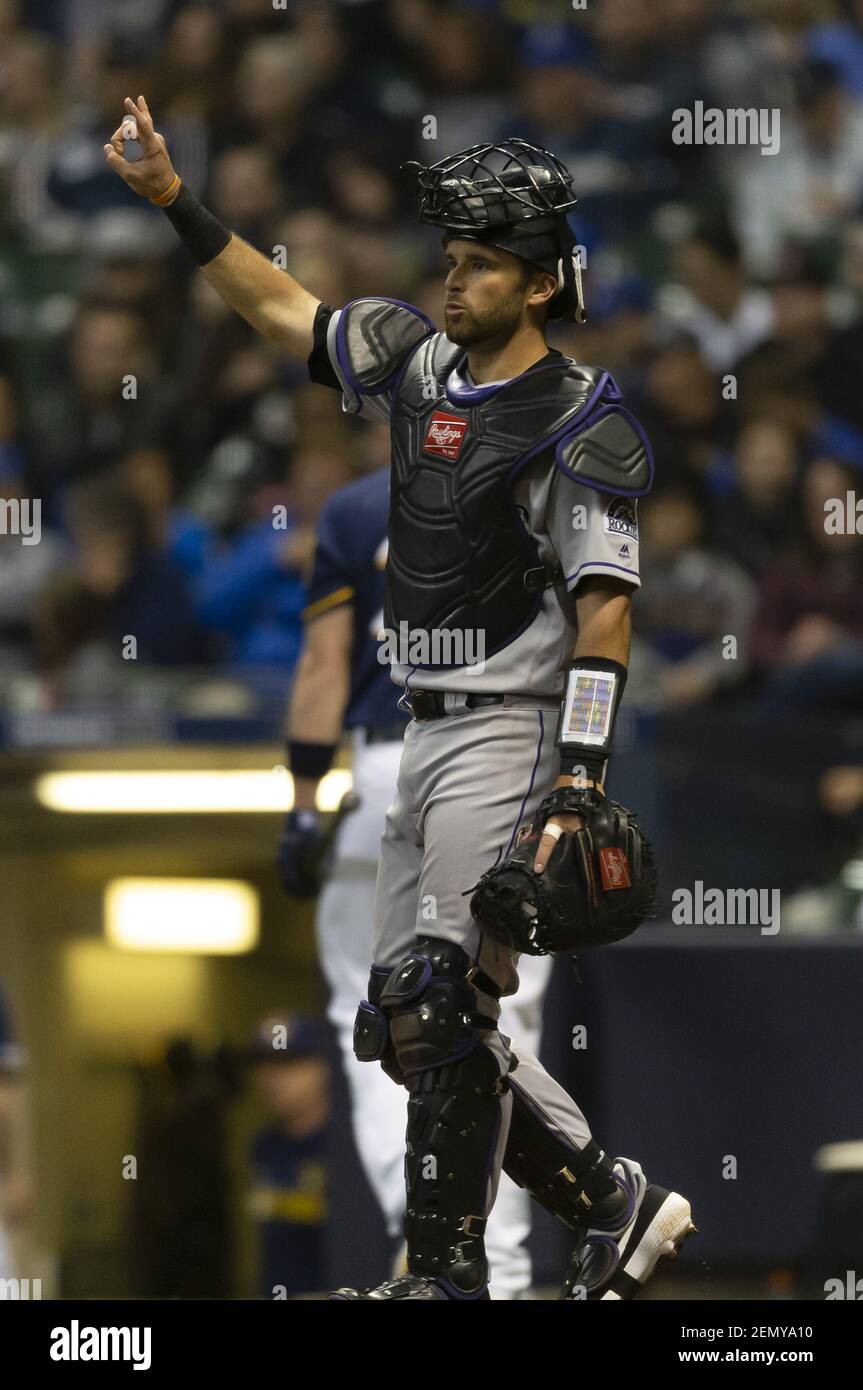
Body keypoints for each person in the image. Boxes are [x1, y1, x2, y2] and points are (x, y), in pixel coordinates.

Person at [106, 101, 695, 1301]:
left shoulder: (584, 416)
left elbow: (604, 608)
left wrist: (580, 775)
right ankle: (611, 1198)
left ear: (538, 285)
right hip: (417, 726)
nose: (452, 278)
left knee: (440, 995)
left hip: (508, 723)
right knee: (405, 1022)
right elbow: (283, 309)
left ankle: (446, 1276)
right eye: (451, 257)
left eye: (477, 262)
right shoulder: (420, 361)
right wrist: (175, 198)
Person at [276, 465, 551, 1298]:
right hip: (508, 756)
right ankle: (495, 1262)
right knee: (500, 1016)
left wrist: (299, 804)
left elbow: (326, 668)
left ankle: (428, 1241)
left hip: (389, 762)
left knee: (375, 1019)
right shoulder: (529, 478)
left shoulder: (358, 505)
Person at [246, 1015, 329, 1300]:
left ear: (322, 1066)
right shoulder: (265, 1147)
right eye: (263, 1063)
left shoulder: (348, 1151)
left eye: (289, 1063)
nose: (273, 1078)